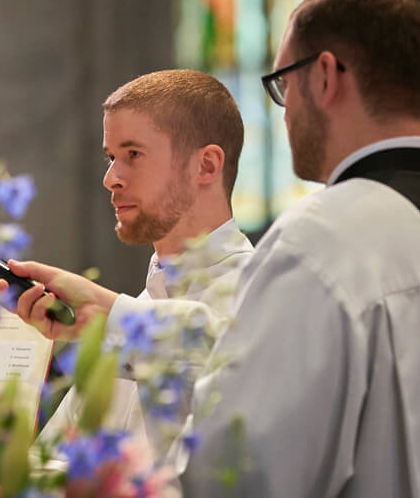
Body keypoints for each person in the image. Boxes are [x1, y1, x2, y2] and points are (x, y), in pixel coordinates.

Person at [10, 0, 420, 497]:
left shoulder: (320, 239)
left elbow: (242, 470)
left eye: (281, 85)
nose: (284, 111)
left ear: (324, 76)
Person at [25, 70, 255, 463]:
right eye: (111, 157)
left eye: (133, 155)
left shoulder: (259, 292)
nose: (110, 178)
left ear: (206, 165)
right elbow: (49, 468)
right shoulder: (129, 315)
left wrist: (108, 314)